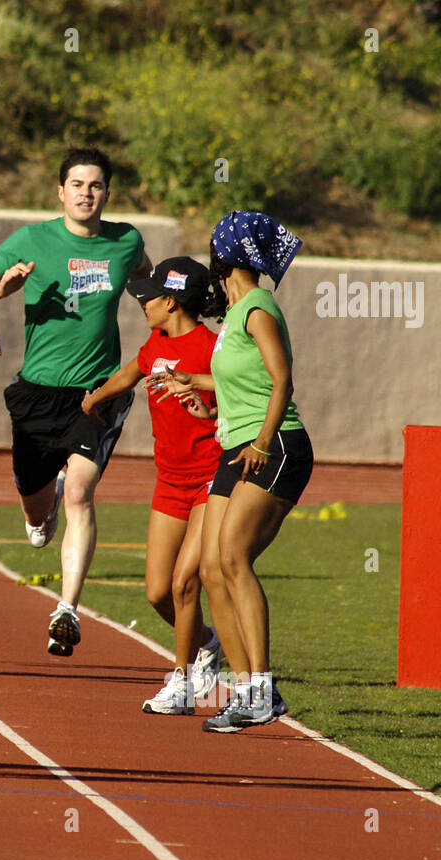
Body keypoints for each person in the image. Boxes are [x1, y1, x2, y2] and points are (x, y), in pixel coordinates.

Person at [0, 147, 150, 656]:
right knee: (36, 500)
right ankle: (38, 514)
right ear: (60, 192)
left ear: (107, 193)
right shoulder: (32, 239)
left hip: (98, 392)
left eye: (96, 185)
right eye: (77, 184)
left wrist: (170, 329)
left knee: (81, 493)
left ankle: (66, 608)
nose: (86, 193)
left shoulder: (126, 241)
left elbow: (147, 284)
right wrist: (0, 291)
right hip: (38, 392)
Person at [150, 211, 311, 731]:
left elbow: (281, 381)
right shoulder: (237, 312)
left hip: (276, 445)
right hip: (236, 445)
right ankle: (244, 690)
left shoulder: (259, 307)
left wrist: (263, 442)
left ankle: (262, 689)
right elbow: (237, 382)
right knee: (211, 569)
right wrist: (194, 388)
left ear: (225, 256)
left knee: (234, 557)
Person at [82, 257, 224, 712]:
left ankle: (180, 682)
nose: (142, 303)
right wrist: (95, 397)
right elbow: (132, 372)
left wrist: (213, 414)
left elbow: (242, 401)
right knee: (157, 592)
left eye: (148, 297)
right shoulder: (155, 341)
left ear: (171, 300)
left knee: (186, 584)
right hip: (170, 481)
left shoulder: (213, 348)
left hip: (209, 479)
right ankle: (206, 643)